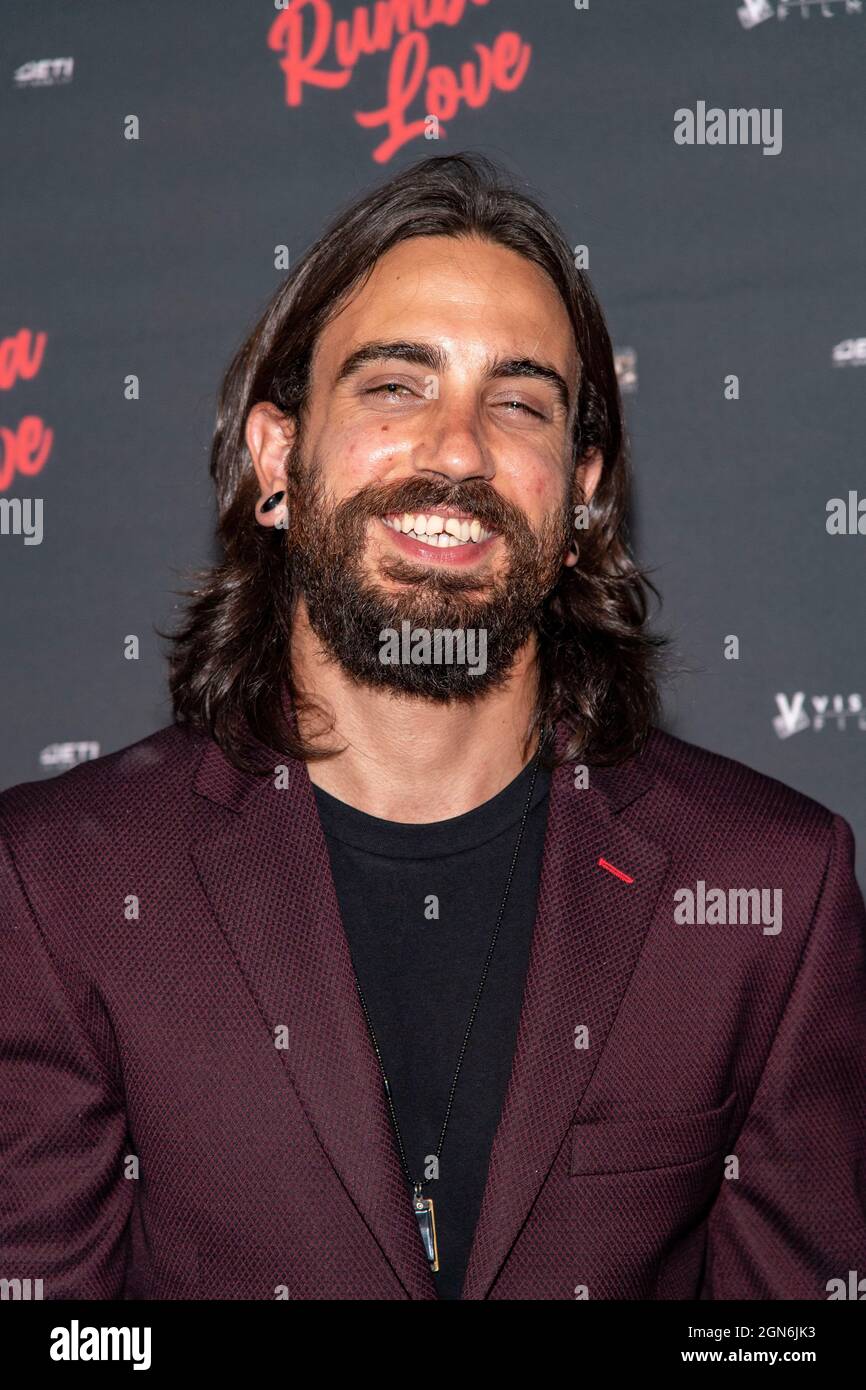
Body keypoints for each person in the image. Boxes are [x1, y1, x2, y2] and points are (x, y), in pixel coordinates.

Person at [1, 153, 863, 1302]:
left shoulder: (767, 889)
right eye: (394, 386)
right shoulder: (57, 886)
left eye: (516, 403)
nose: (456, 450)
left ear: (578, 498)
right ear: (275, 459)